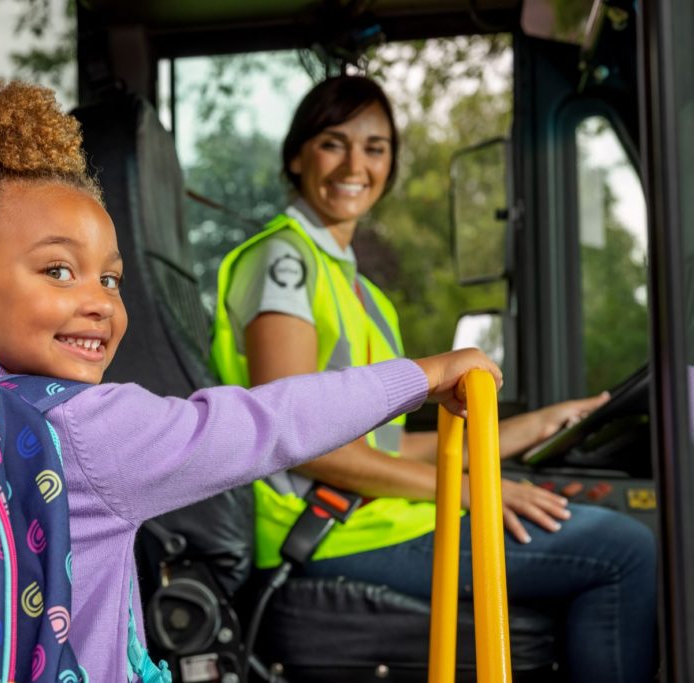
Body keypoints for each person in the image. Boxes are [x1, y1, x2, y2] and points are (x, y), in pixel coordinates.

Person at [0, 73, 502, 682]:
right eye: (60, 269)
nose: (97, 301)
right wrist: (422, 374)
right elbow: (271, 422)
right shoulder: (92, 430)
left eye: (113, 279)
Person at [210, 74, 656, 683]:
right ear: (297, 155)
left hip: (371, 514)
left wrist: (534, 426)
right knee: (624, 551)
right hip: (329, 531)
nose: (355, 165)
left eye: (375, 148)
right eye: (333, 143)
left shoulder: (363, 293)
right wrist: (472, 492)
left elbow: (385, 449)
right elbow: (299, 438)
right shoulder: (282, 261)